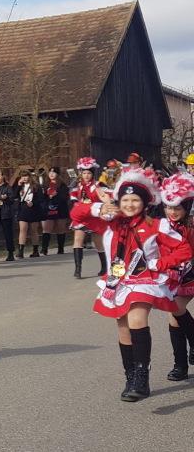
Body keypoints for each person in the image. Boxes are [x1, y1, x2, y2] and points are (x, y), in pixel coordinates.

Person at [69, 168, 192, 401]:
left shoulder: (157, 225)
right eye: (125, 200)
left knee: (137, 318)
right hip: (117, 282)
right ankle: (131, 376)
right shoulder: (109, 224)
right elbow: (76, 214)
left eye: (135, 200)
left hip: (144, 282)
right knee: (124, 329)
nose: (130, 204)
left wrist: (158, 264)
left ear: (144, 203)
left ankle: (142, 379)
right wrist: (98, 208)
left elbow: (183, 249)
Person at [159, 172, 194, 380]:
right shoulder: (162, 225)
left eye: (177, 208)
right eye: (169, 207)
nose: (172, 212)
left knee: (176, 309)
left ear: (186, 208)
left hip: (191, 274)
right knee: (173, 316)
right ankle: (180, 366)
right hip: (172, 276)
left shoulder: (191, 226)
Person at [69, 157, 109, 278]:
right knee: (78, 240)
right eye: (84, 173)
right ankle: (78, 269)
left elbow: (105, 197)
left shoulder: (98, 185)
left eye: (89, 173)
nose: (86, 175)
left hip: (95, 215)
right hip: (82, 216)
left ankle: (104, 267)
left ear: (92, 174)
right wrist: (76, 204)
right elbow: (73, 198)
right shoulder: (77, 185)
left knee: (98, 243)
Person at [41, 166, 71, 255]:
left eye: (54, 172)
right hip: (48, 209)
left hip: (60, 209)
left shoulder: (62, 185)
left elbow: (64, 197)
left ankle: (60, 248)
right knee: (46, 228)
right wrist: (48, 197)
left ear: (57, 174)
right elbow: (41, 198)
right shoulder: (45, 185)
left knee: (60, 228)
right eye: (50, 172)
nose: (51, 174)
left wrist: (56, 195)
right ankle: (44, 248)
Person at [15, 170, 45, 258]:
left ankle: (35, 250)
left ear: (29, 176)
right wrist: (18, 185)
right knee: (22, 229)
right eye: (22, 176)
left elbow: (41, 198)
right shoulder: (20, 186)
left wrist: (34, 203)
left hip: (33, 209)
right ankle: (21, 250)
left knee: (33, 230)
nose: (24, 178)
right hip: (23, 208)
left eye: (26, 176)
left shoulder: (36, 186)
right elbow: (14, 195)